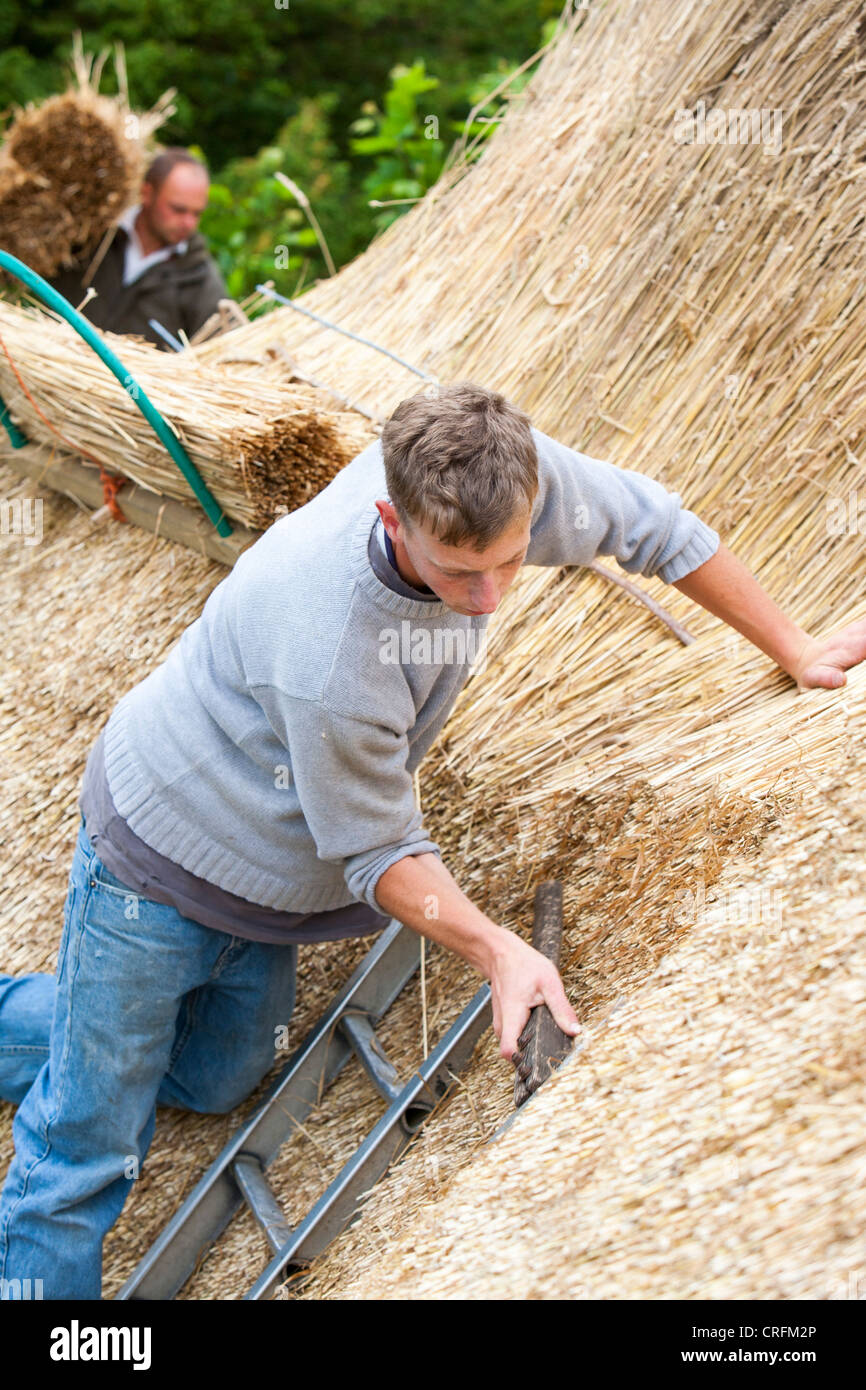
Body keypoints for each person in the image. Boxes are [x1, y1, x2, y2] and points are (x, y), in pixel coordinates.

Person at [1, 381, 864, 1300]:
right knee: (88, 1147)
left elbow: (655, 524)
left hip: (263, 885)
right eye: (459, 574)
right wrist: (498, 951)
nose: (487, 599)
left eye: (511, 560)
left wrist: (796, 647)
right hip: (158, 858)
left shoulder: (493, 481)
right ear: (390, 512)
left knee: (214, 1080)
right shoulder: (332, 645)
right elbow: (375, 852)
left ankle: (87, 1031)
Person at [48, 148, 228, 349]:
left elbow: (219, 353)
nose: (189, 223)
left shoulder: (199, 277)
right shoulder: (91, 234)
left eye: (197, 214)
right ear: (147, 193)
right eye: (178, 210)